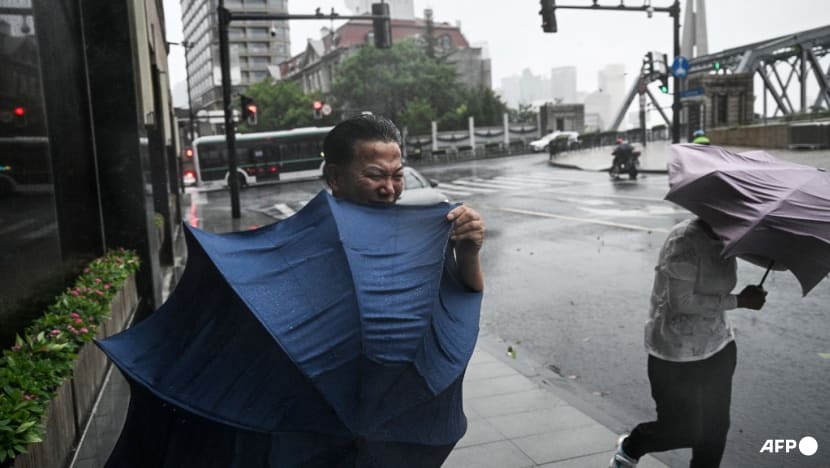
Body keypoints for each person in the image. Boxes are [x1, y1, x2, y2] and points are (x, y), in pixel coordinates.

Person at [610, 217, 767, 468]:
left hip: (719, 347)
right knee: (684, 429)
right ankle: (633, 445)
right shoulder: (684, 240)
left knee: (714, 432)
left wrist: (749, 294)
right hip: (675, 353)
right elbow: (681, 301)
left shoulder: (728, 237)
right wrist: (740, 301)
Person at [323, 113, 485, 291]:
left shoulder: (418, 236)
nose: (390, 189)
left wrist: (467, 254)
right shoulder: (310, 245)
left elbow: (463, 297)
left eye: (398, 176)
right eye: (376, 175)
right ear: (335, 178)